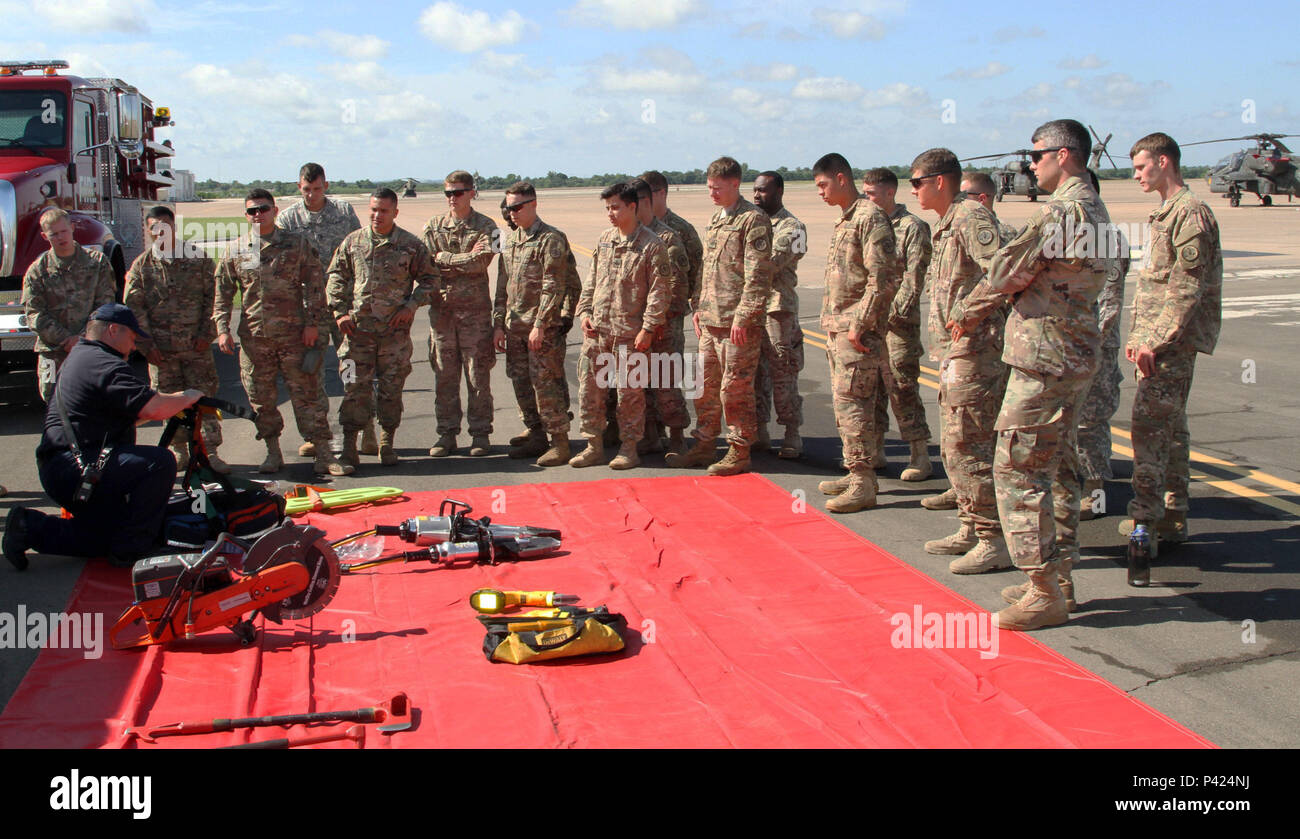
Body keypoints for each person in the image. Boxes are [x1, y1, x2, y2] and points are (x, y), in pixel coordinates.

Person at [948, 119, 1110, 629]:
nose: (1029, 164)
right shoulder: (1095, 206)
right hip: (1073, 350)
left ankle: (1044, 590)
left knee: (1017, 467)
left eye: (1036, 155)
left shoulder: (1063, 211)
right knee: (1056, 465)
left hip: (1045, 355)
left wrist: (984, 299)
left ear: (1064, 155)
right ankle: (1057, 579)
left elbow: (1003, 271)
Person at [3, 304, 200, 571]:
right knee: (160, 463)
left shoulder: (83, 356)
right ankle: (134, 549)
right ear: (113, 330)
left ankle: (28, 527)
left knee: (106, 536)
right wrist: (187, 397)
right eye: (132, 339)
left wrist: (175, 403)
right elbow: (153, 409)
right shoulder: (102, 363)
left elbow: (132, 413)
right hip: (76, 469)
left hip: (67, 466)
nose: (132, 347)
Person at [1118, 132, 1222, 548]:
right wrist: (1138, 335)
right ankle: (1173, 515)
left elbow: (1184, 289)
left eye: (1142, 167)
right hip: (1160, 344)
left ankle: (1147, 522)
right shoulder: (1167, 213)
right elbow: (1157, 287)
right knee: (1172, 432)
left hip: (1169, 348)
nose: (1137, 175)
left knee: (1148, 431)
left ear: (1164, 162)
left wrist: (1152, 342)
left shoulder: (1190, 214)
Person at [909, 149, 1010, 574]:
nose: (913, 190)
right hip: (956, 351)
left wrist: (967, 311)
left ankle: (993, 539)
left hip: (977, 350)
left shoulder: (970, 217)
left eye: (916, 182)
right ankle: (972, 525)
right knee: (955, 442)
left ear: (938, 181)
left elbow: (1004, 271)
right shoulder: (948, 223)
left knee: (968, 443)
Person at [215, 189, 353, 477]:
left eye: (263, 209)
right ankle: (272, 452)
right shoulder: (236, 251)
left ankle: (324, 454)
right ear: (246, 215)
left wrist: (314, 323)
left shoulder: (296, 244)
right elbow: (223, 293)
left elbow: (315, 286)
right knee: (261, 400)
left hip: (295, 338)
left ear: (275, 211)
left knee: (309, 396)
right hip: (255, 341)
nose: (258, 214)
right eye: (252, 210)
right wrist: (222, 330)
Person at [666, 157, 773, 476]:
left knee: (735, 389)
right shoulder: (717, 219)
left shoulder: (752, 220)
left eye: (717, 188)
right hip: (711, 320)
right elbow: (707, 269)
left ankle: (739, 450)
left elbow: (758, 276)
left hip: (736, 324)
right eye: (709, 187)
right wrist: (698, 305)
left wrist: (744, 317)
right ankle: (704, 445)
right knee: (705, 386)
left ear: (735, 184)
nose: (711, 193)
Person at [810, 153, 900, 512]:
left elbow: (883, 280)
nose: (820, 192)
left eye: (823, 184)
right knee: (845, 405)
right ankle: (856, 470)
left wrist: (860, 324)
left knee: (855, 405)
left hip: (856, 333)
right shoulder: (846, 219)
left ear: (842, 178)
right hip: (840, 329)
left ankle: (864, 482)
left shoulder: (870, 218)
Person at [327, 188, 438, 467]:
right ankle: (351, 444)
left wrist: (411, 306)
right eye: (374, 209)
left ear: (395, 213)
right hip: (358, 335)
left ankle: (387, 441)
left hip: (393, 336)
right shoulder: (353, 242)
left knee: (391, 389)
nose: (378, 215)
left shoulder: (411, 245)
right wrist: (340, 312)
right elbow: (336, 276)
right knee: (354, 388)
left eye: (384, 210)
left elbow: (430, 280)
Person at [569, 182, 672, 470]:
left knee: (630, 396)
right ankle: (594, 446)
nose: (610, 213)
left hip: (630, 336)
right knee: (590, 391)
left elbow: (659, 291)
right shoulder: (605, 240)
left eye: (615, 207)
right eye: (607, 208)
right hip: (598, 332)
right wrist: (585, 311)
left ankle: (629, 448)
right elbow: (592, 280)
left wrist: (648, 328)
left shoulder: (652, 245)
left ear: (632, 207)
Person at [124, 205, 229, 474]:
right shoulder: (141, 267)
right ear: (147, 231)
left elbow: (214, 299)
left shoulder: (199, 260)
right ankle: (179, 453)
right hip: (162, 353)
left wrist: (207, 334)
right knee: (168, 403)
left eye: (165, 226)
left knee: (204, 400)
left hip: (197, 348)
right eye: (153, 227)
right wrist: (147, 347)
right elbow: (134, 309)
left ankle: (211, 453)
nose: (160, 232)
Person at [276, 162, 366, 458]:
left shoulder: (343, 212)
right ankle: (316, 433)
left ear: (326, 186)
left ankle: (364, 428)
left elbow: (360, 251)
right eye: (306, 190)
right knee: (309, 373)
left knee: (352, 367)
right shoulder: (288, 219)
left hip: (343, 304)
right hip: (308, 310)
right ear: (298, 187)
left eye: (317, 189)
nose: (312, 195)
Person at [493, 182, 574, 466]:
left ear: (533, 204)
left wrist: (540, 324)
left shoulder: (550, 239)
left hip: (541, 329)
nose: (512, 212)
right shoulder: (512, 240)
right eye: (509, 208)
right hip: (514, 327)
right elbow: (503, 285)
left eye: (517, 207)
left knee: (546, 385)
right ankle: (536, 434)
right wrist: (498, 323)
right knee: (521, 383)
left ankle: (560, 442)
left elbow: (554, 286)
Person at [862, 167, 933, 481]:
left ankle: (919, 454)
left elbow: (914, 279)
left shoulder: (912, 227)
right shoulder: (868, 225)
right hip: (869, 324)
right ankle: (876, 449)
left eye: (872, 194)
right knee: (871, 389)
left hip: (897, 325)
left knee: (902, 387)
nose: (867, 200)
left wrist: (890, 315)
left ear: (890, 193)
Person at [422, 171, 498, 458]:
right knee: (445, 377)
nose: (452, 198)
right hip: (442, 315)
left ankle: (480, 434)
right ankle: (446, 434)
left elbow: (482, 262)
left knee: (478, 378)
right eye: (448, 193)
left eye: (459, 192)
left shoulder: (490, 226)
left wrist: (446, 259)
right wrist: (461, 259)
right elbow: (428, 263)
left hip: (475, 316)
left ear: (471, 193)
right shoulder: (432, 226)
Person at [21, 207, 116, 403]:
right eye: (53, 234)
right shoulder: (37, 271)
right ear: (44, 236)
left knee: (95, 400)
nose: (60, 237)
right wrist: (66, 339)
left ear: (72, 228)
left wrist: (82, 338)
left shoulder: (97, 262)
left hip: (91, 348)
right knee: (53, 403)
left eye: (63, 231)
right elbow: (34, 314)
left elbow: (105, 305)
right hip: (52, 352)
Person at [631, 177, 691, 456]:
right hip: (637, 325)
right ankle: (651, 436)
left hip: (664, 326)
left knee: (667, 385)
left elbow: (678, 288)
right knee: (640, 383)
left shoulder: (668, 238)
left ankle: (677, 438)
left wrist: (657, 323)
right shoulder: (630, 236)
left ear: (644, 202)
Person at [751, 171, 808, 459]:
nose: (757, 195)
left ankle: (791, 433)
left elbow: (771, 261)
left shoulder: (794, 227)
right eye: (755, 190)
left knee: (783, 373)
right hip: (752, 308)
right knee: (755, 374)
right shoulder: (752, 224)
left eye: (763, 191)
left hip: (777, 310)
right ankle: (759, 430)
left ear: (779, 192)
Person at [960, 172, 1019, 244]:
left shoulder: (1004, 234)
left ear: (982, 199)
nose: (957, 200)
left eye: (962, 196)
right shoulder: (957, 228)